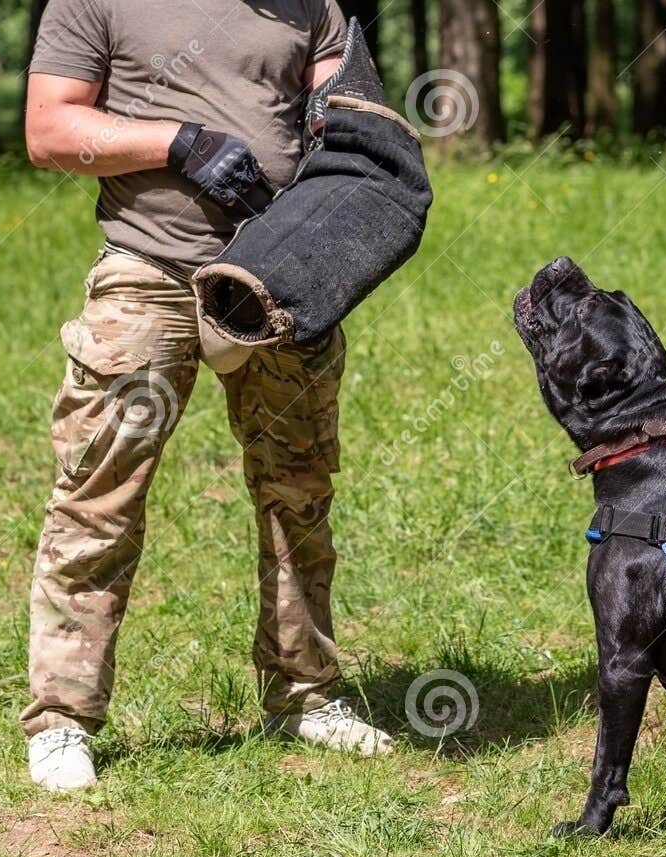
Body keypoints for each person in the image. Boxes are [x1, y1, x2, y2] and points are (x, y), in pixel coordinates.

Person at [22, 0, 393, 792]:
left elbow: (350, 130)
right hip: (147, 274)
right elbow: (49, 130)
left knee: (298, 492)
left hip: (280, 283)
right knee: (98, 496)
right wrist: (177, 144)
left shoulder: (313, 7)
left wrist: (332, 214)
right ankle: (62, 720)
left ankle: (303, 698)